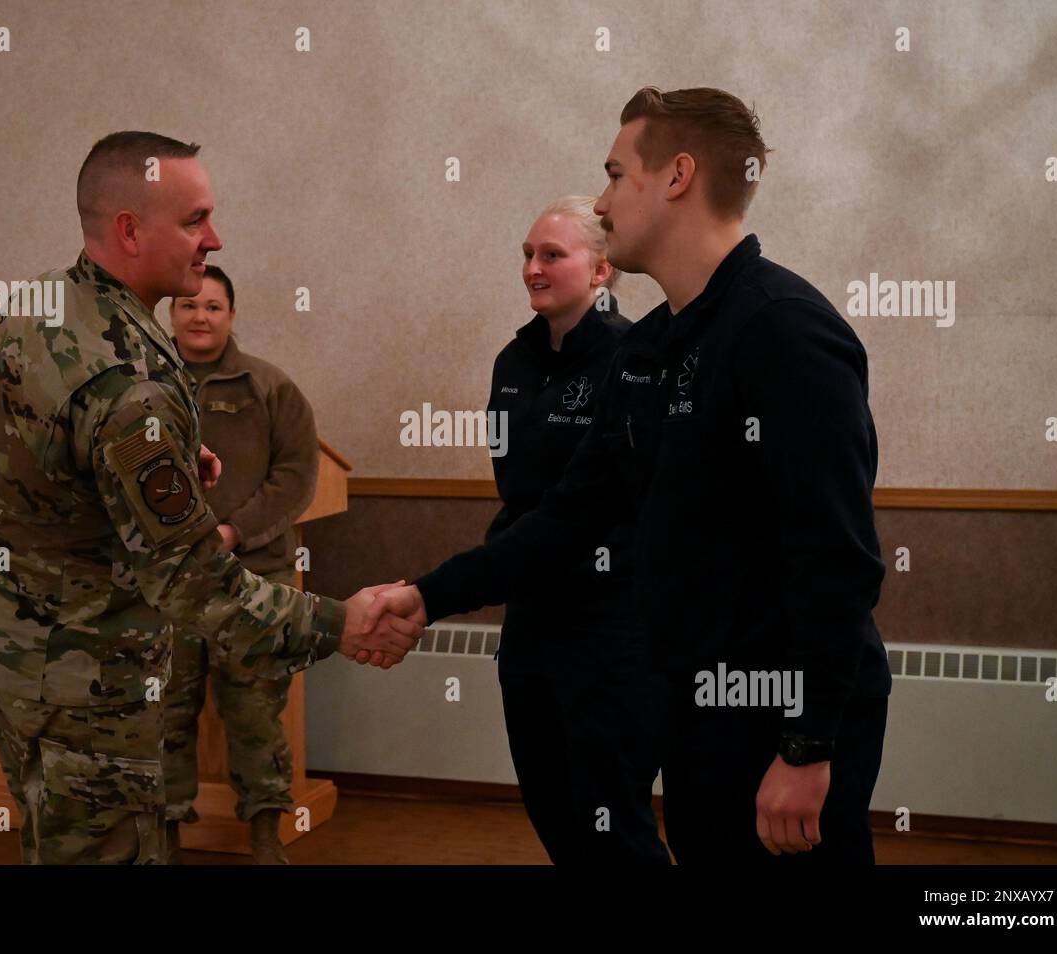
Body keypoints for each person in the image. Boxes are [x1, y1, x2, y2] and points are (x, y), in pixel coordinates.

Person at [367, 88, 892, 865]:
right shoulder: (651, 351)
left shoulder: (782, 328)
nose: (604, 201)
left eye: (616, 175)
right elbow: (568, 515)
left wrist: (808, 745)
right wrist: (425, 594)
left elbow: (837, 556)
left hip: (780, 722)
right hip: (694, 708)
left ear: (677, 176)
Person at [0, 130, 420, 865]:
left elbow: (38, 448)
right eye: (195, 219)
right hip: (88, 686)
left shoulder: (33, 306)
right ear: (130, 230)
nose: (216, 237)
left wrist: (153, 457)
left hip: (10, 650)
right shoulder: (128, 386)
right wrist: (340, 623)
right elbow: (195, 583)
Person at [487, 196, 668, 864]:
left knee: (612, 821)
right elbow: (519, 494)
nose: (533, 268)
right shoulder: (513, 363)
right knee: (551, 805)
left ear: (600, 270)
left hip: (611, 625)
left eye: (552, 255)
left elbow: (625, 502)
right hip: (533, 617)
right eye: (528, 255)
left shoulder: (635, 358)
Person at [163, 264, 319, 864]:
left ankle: (264, 839)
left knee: (254, 712)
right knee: (165, 710)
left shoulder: (270, 387)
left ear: (231, 315)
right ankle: (167, 834)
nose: (200, 317)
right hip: (165, 581)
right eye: (188, 306)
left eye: (213, 307)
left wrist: (232, 532)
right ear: (170, 315)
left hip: (254, 579)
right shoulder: (143, 384)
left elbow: (296, 479)